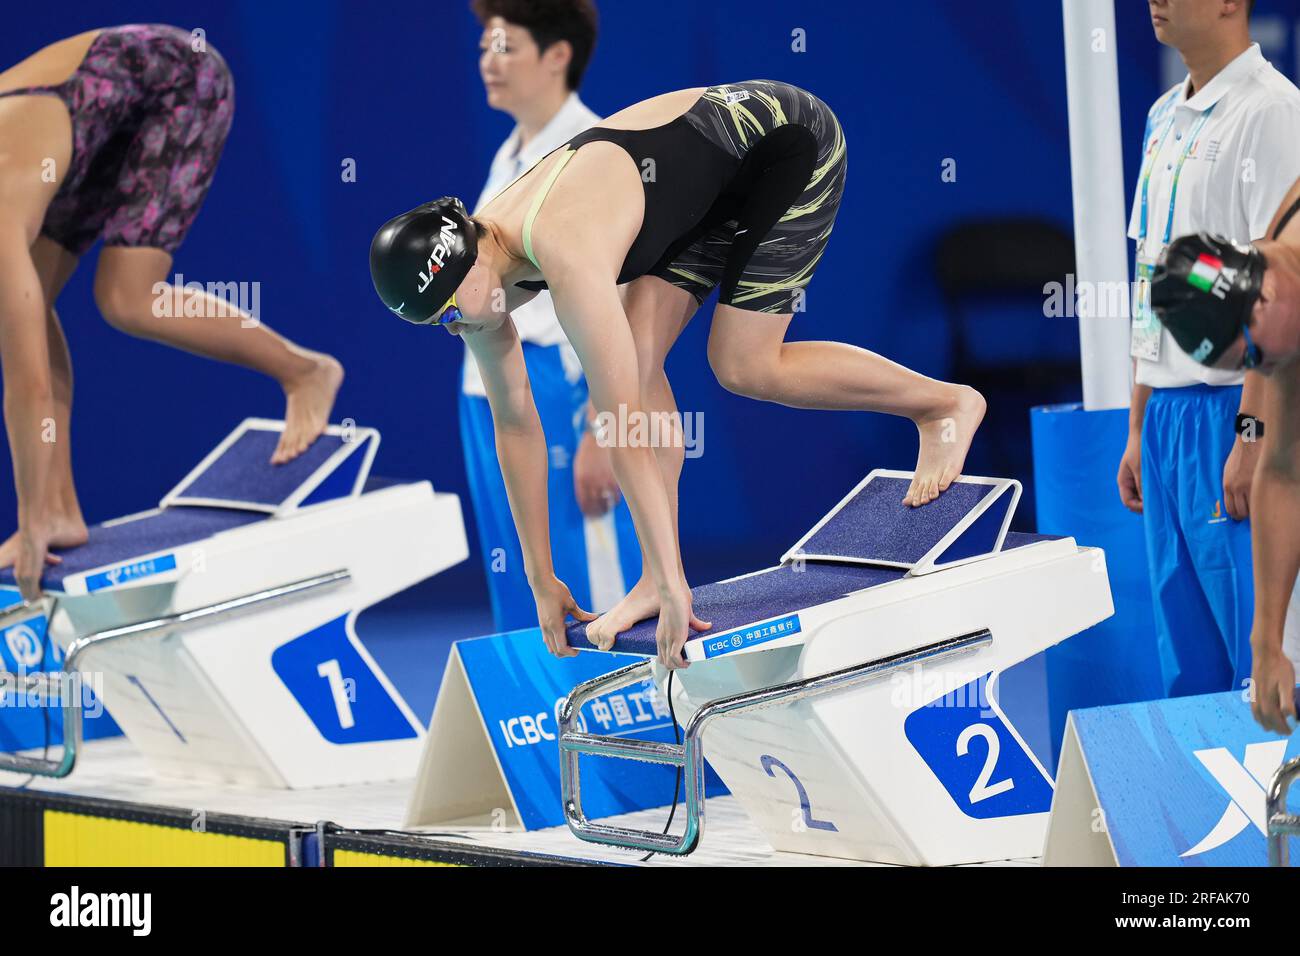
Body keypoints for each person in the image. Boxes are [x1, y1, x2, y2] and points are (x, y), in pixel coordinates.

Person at [370, 79, 984, 668]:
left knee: (745, 364)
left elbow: (622, 423)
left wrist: (676, 586)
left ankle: (941, 405)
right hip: (697, 196)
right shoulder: (479, 283)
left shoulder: (563, 246)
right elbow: (515, 425)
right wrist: (539, 575)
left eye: (449, 312)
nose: (453, 327)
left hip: (780, 146)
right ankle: (650, 576)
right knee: (637, 364)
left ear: (468, 265)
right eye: (437, 323)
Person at [0, 25, 342, 601]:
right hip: (80, 123)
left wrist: (25, 521)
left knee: (127, 298)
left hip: (175, 76)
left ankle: (305, 371)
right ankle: (60, 509)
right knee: (30, 305)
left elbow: (28, 381)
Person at [1114, 0, 1300, 698]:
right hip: (1167, 421)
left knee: (1258, 660)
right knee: (1186, 659)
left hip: (1234, 412)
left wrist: (1252, 436)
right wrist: (1138, 422)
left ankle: (1282, 803)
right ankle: (1208, 811)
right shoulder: (1163, 116)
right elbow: (1152, 281)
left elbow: (1278, 294)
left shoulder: (1275, 114)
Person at [461, 0, 639, 633]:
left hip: (560, 391)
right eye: (484, 45)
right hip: (491, 393)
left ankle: (623, 720)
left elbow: (627, 297)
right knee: (525, 582)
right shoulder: (510, 157)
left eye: (504, 46)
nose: (488, 60)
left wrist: (601, 427)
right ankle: (541, 720)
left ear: (557, 55)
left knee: (591, 587)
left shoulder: (589, 152)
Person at [1150, 198, 1300, 732]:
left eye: (1253, 361)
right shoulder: (1280, 283)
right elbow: (1283, 474)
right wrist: (1266, 640)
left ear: (1264, 301)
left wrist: (1247, 436)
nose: (1263, 375)